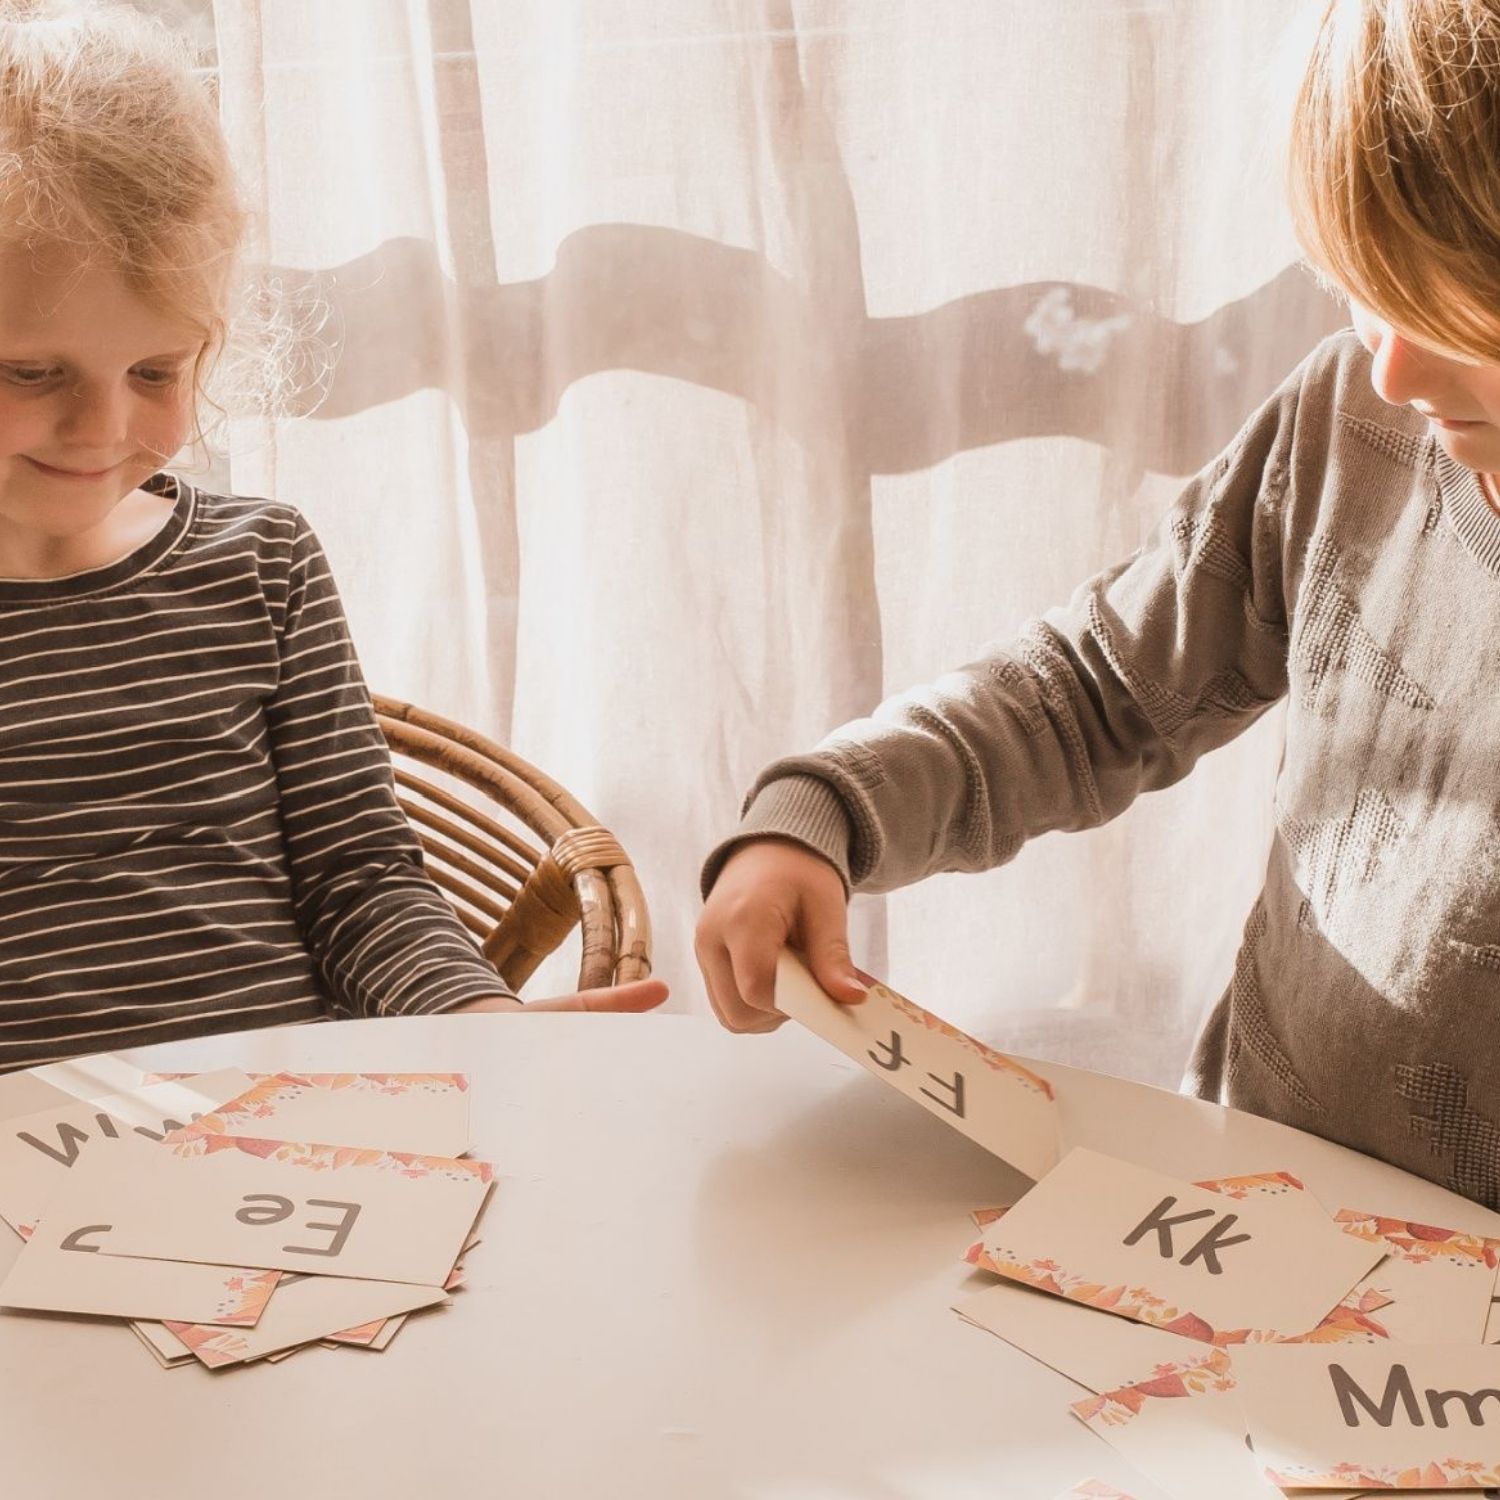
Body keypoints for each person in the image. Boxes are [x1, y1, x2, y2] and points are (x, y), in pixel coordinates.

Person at [697, 0, 1500, 1208]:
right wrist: (823, 812)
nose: (1394, 368)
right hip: (1245, 1204)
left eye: (1466, 315)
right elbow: (1094, 690)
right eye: (1366, 291)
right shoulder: (1352, 425)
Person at [0, 1, 665, 1072]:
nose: (103, 427)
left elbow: (361, 881)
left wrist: (475, 1022)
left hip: (303, 1126)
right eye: (33, 372)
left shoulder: (261, 563)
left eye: (157, 371)